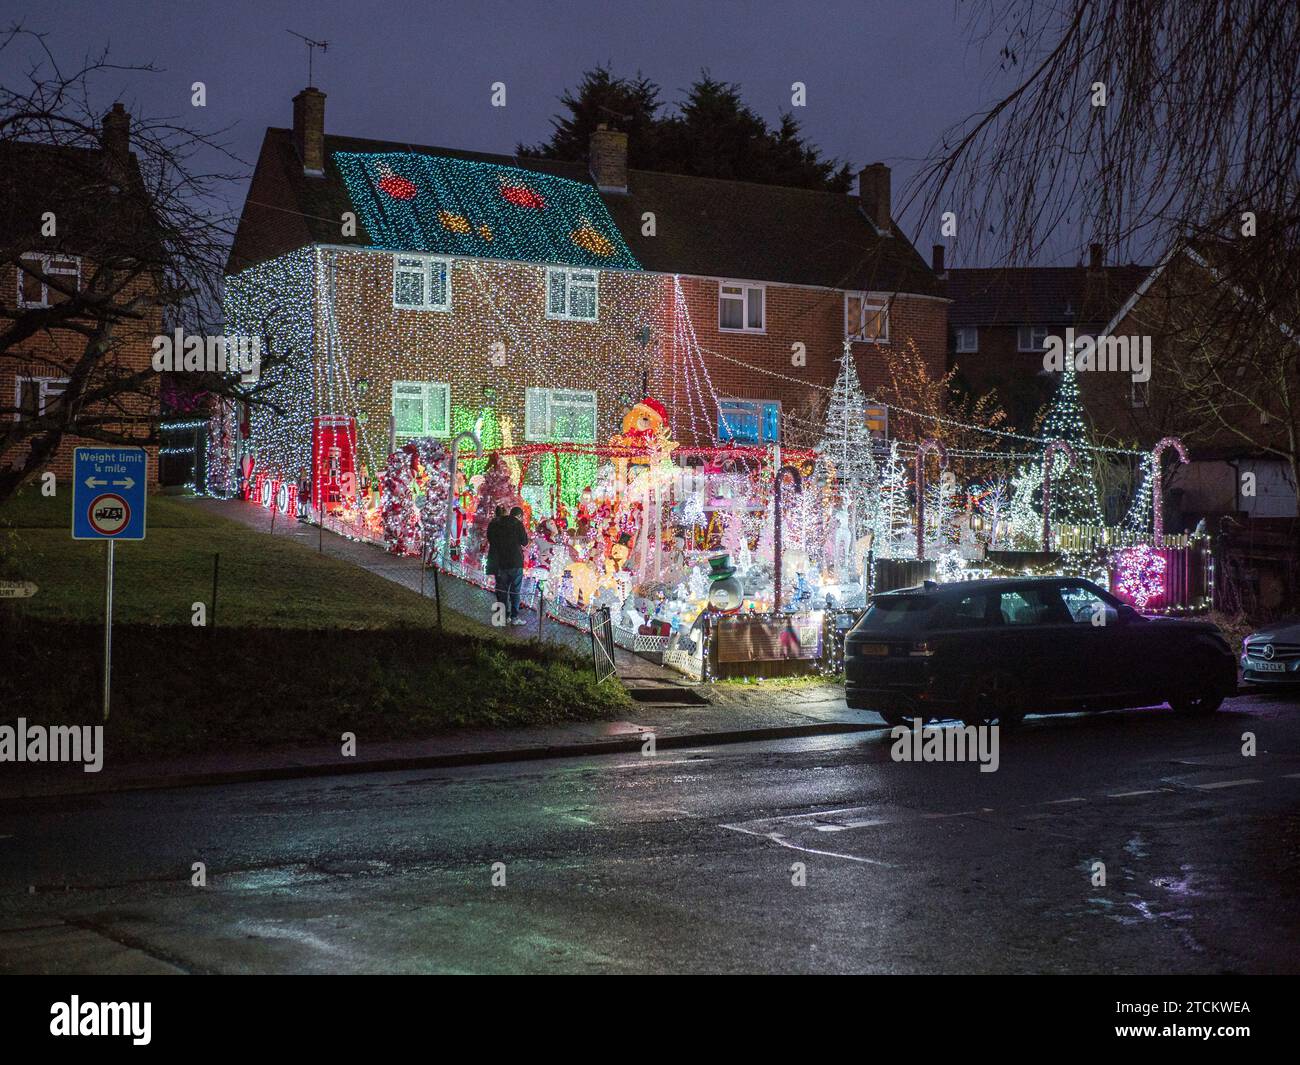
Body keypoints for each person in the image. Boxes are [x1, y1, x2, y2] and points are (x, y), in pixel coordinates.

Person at [488, 505, 529, 626]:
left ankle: (502, 617)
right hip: (515, 562)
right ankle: (514, 617)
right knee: (515, 590)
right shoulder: (518, 524)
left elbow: (490, 539)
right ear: (520, 516)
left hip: (501, 562)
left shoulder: (497, 524)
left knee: (502, 590)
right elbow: (524, 542)